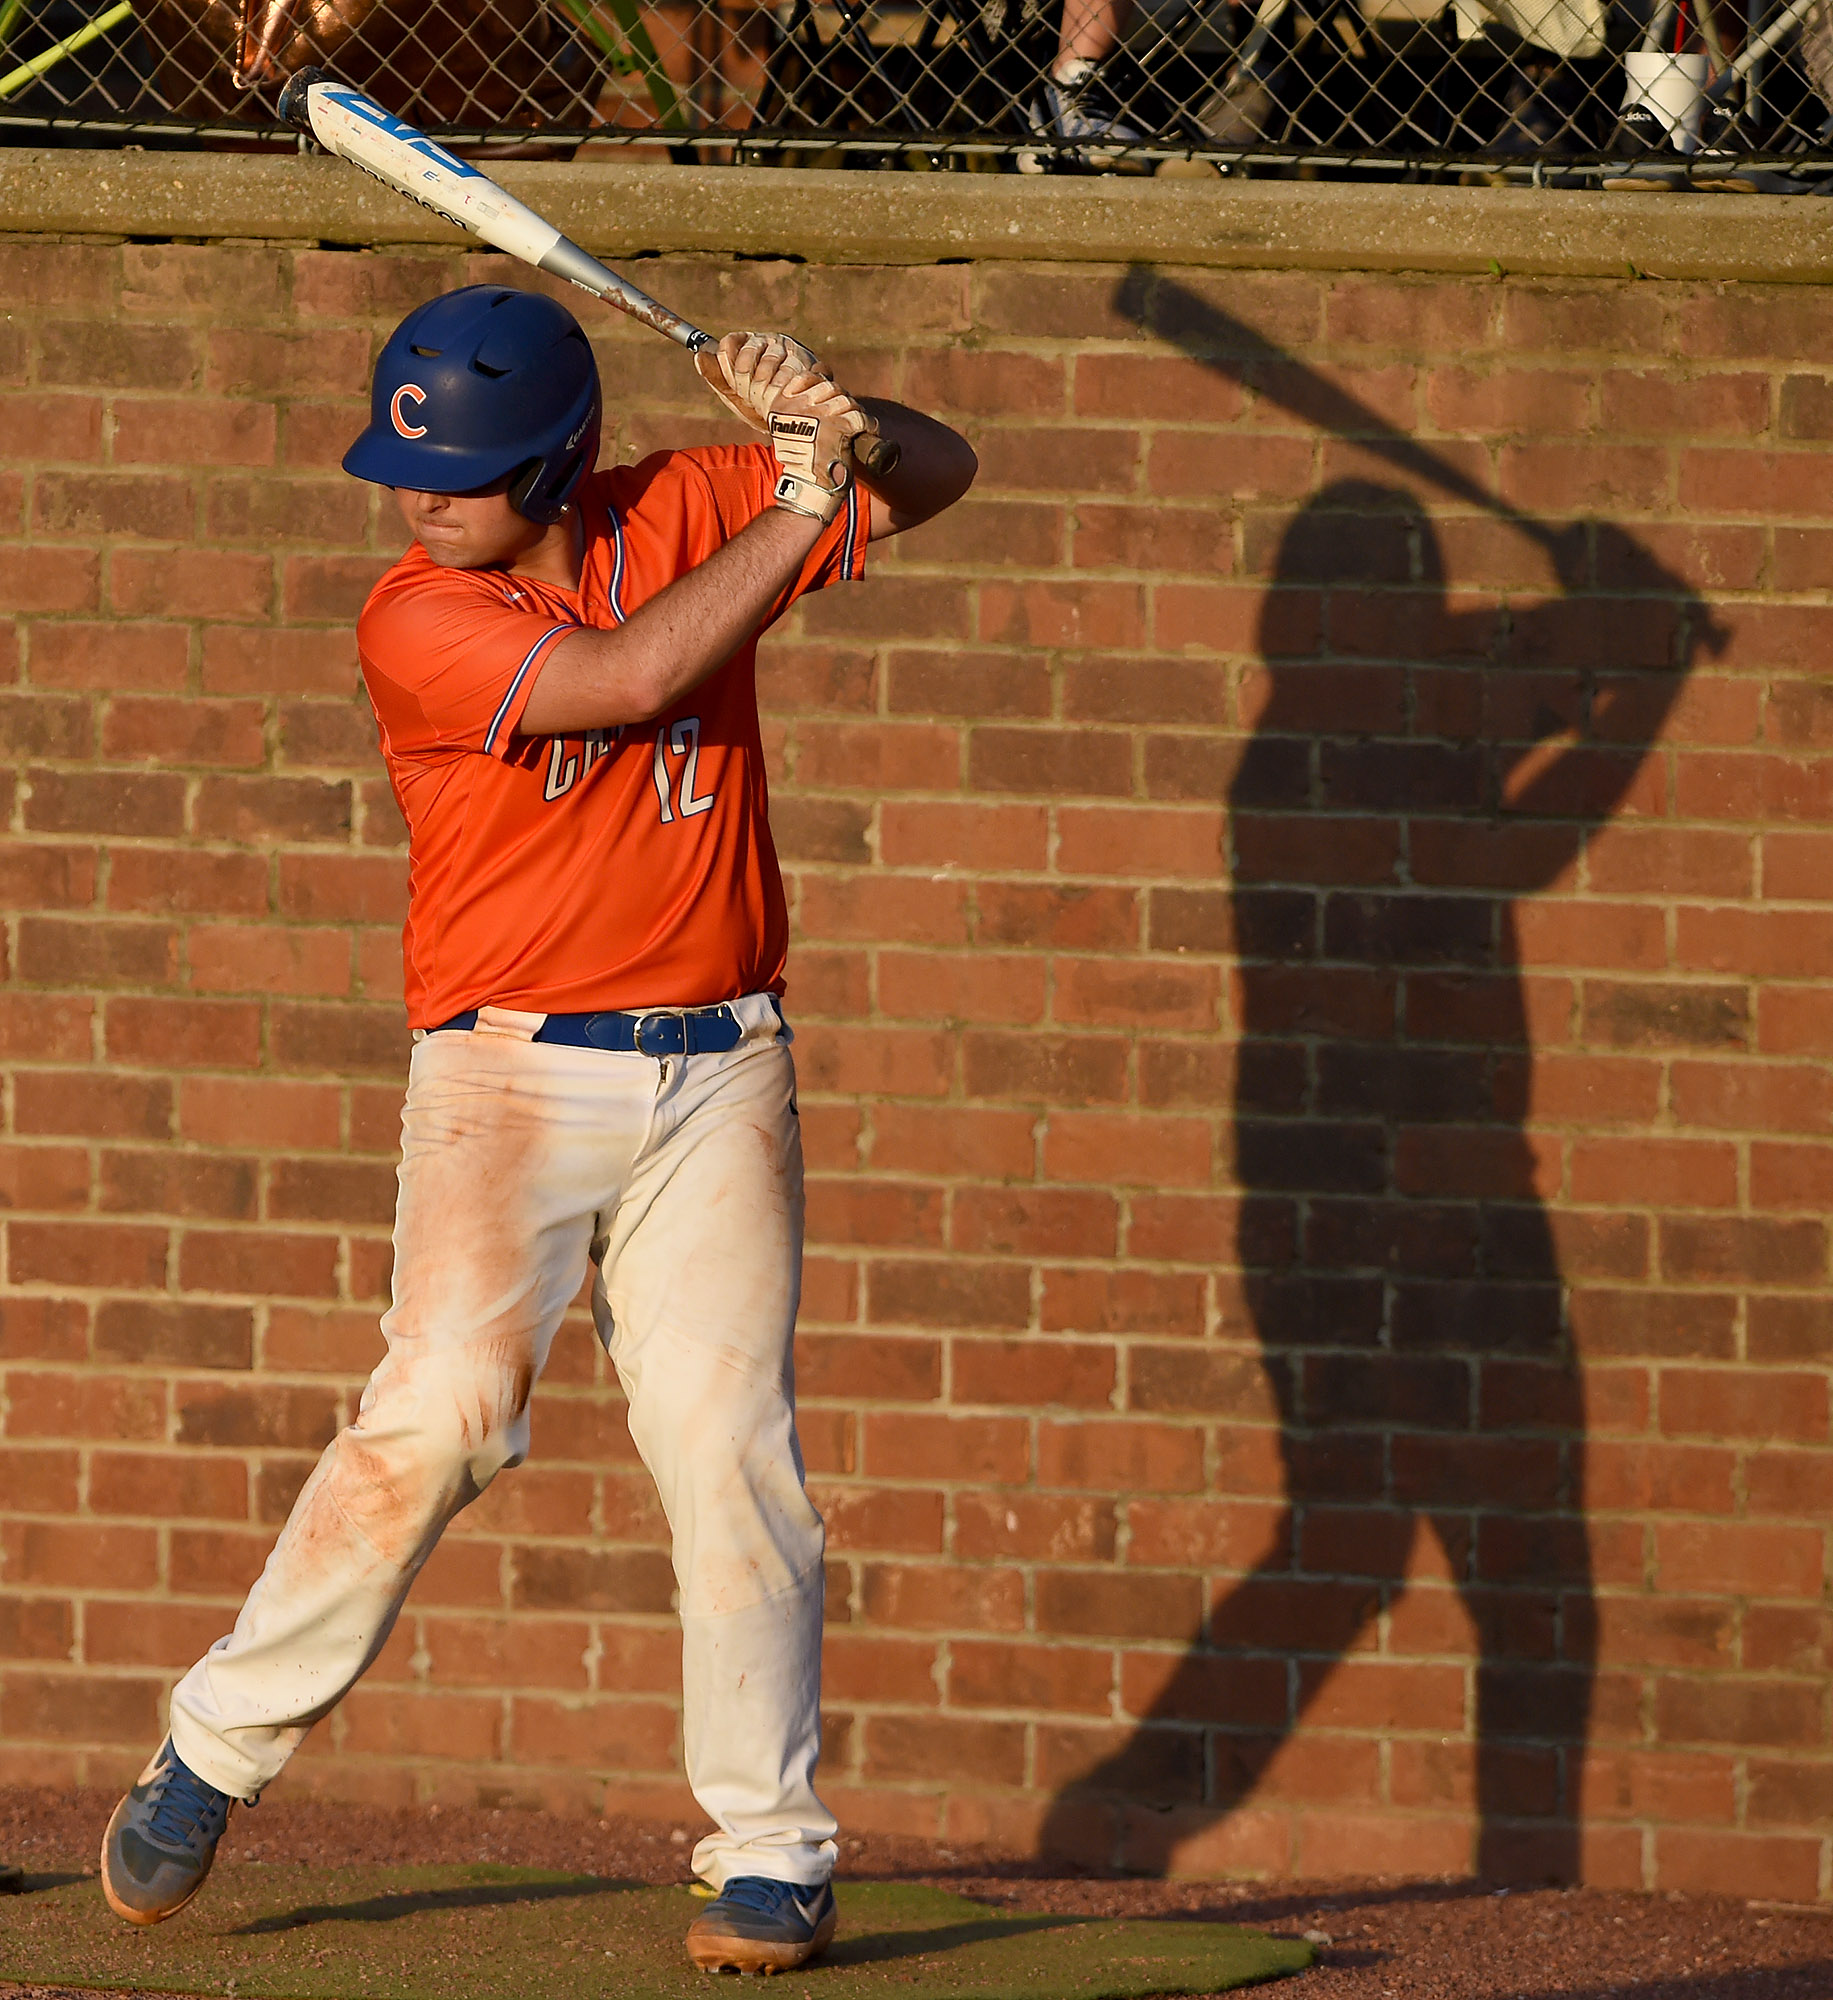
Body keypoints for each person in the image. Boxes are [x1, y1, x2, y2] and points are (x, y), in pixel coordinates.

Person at [98, 285, 976, 1977]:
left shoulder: (685, 504)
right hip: (510, 1078)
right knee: (437, 1423)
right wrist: (800, 492)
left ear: (566, 457)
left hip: (722, 1064)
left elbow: (939, 476)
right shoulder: (416, 614)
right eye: (414, 463)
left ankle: (771, 1851)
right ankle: (219, 1742)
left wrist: (840, 413)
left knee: (732, 1451)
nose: (428, 495)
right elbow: (636, 674)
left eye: (477, 470)